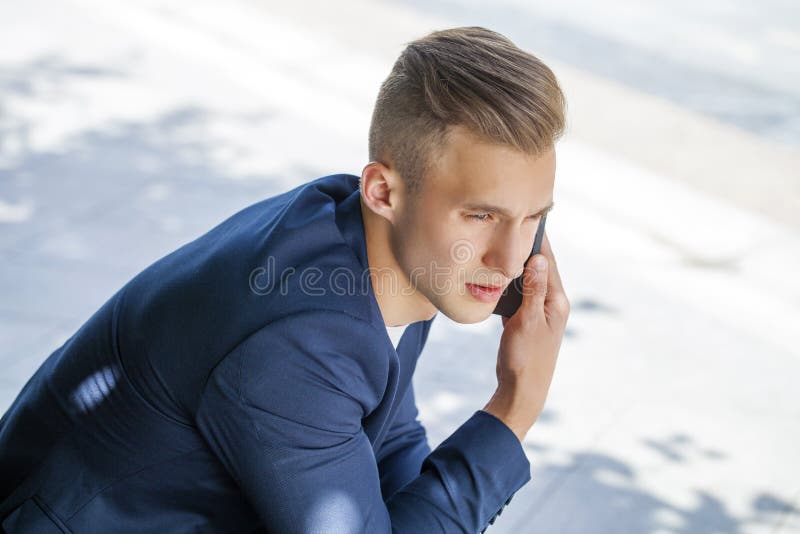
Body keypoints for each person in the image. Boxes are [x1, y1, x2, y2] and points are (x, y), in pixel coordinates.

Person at [0, 26, 570, 533]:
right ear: (383, 192)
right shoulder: (299, 346)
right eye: (481, 215)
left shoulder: (394, 251)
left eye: (533, 218)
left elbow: (386, 437)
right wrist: (513, 408)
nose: (510, 259)